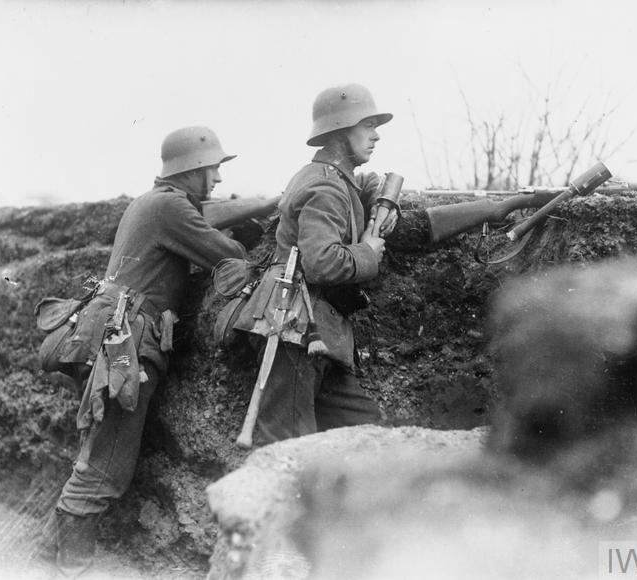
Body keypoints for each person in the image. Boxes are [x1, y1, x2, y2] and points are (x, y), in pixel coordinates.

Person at [50, 126, 247, 576]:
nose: (217, 177)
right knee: (106, 467)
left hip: (112, 333)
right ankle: (70, 570)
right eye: (213, 167)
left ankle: (56, 560)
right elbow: (228, 254)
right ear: (193, 170)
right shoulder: (170, 207)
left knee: (98, 453)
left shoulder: (154, 202)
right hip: (127, 344)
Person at [250, 83, 398, 445]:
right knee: (287, 444)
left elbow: (366, 183)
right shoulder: (326, 187)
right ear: (340, 130)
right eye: (367, 126)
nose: (376, 136)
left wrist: (386, 202)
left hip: (314, 331)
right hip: (294, 328)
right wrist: (367, 251)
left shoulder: (331, 178)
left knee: (364, 428)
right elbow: (322, 264)